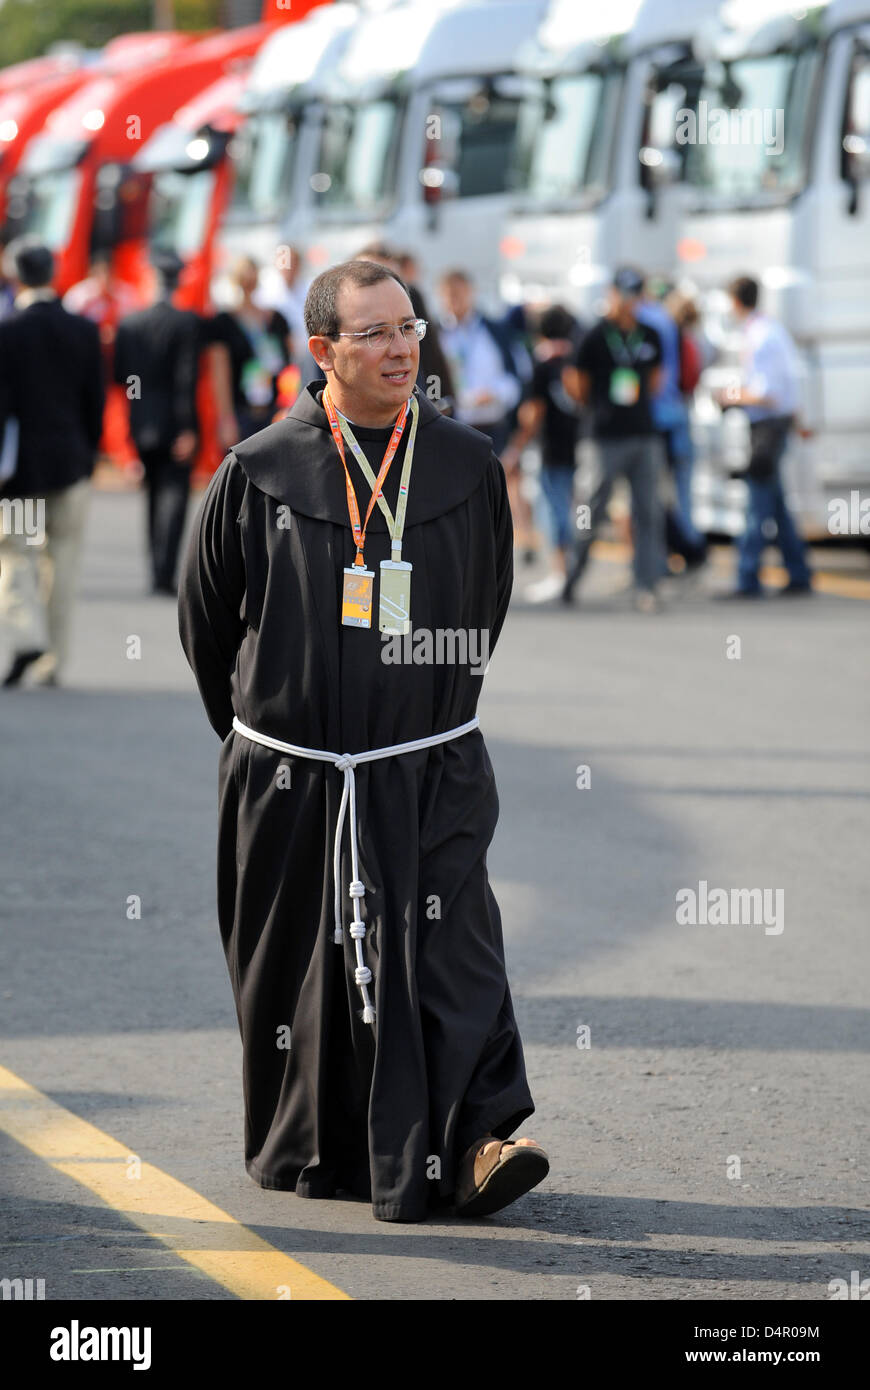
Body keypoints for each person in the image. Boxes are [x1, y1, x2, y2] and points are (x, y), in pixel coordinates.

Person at [177, 258, 547, 1224]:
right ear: (322, 352)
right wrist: (267, 738)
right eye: (375, 333)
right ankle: (324, 1144)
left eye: (409, 329)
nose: (400, 348)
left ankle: (480, 1139)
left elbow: (488, 605)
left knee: (455, 944)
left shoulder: (467, 467)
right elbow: (206, 623)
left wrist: (421, 709)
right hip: (292, 776)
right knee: (305, 968)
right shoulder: (257, 471)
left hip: (428, 763)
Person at [0, 237, 104, 687]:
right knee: (62, 559)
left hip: (21, 470)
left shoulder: (8, 331)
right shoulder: (83, 330)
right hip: (72, 462)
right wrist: (90, 453)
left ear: (15, 275)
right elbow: (95, 402)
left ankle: (27, 636)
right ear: (53, 273)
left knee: (16, 555)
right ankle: (53, 661)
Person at [562, 266, 666, 612]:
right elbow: (575, 383)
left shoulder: (650, 335)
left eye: (635, 294)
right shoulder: (594, 335)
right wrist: (598, 408)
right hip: (603, 437)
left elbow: (656, 381)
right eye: (623, 294)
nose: (628, 301)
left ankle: (647, 585)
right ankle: (572, 576)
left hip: (643, 434)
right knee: (589, 510)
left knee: (648, 511)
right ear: (611, 294)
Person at [714, 276, 813, 598]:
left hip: (767, 429)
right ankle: (798, 572)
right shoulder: (773, 330)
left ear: (736, 300)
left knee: (757, 507)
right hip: (776, 426)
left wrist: (730, 396)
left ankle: (747, 577)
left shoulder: (759, 336)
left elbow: (766, 393)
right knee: (778, 507)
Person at [113, 251, 203, 596]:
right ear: (177, 282)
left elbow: (122, 375)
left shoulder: (129, 323)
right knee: (174, 496)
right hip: (175, 422)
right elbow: (186, 380)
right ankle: (164, 572)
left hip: (141, 420)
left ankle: (155, 565)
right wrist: (187, 427)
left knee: (152, 495)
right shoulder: (186, 323)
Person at [502, 305, 582, 601]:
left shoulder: (542, 364)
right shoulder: (576, 359)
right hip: (583, 446)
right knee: (577, 509)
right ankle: (572, 569)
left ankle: (561, 573)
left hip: (551, 447)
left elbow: (533, 412)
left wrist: (516, 448)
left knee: (553, 510)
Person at [635, 279, 707, 571]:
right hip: (679, 415)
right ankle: (690, 551)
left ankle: (675, 556)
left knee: (652, 495)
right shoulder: (686, 332)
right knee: (682, 493)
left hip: (656, 420)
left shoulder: (650, 321)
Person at [356, 242, 455, 413]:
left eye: (392, 278)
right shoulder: (335, 335)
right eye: (369, 279)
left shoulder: (414, 303)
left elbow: (432, 360)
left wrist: (436, 405)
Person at [209, 256, 292, 446]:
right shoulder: (224, 322)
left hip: (275, 408)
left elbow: (290, 364)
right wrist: (226, 418)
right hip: (242, 411)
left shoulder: (275, 318)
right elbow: (220, 374)